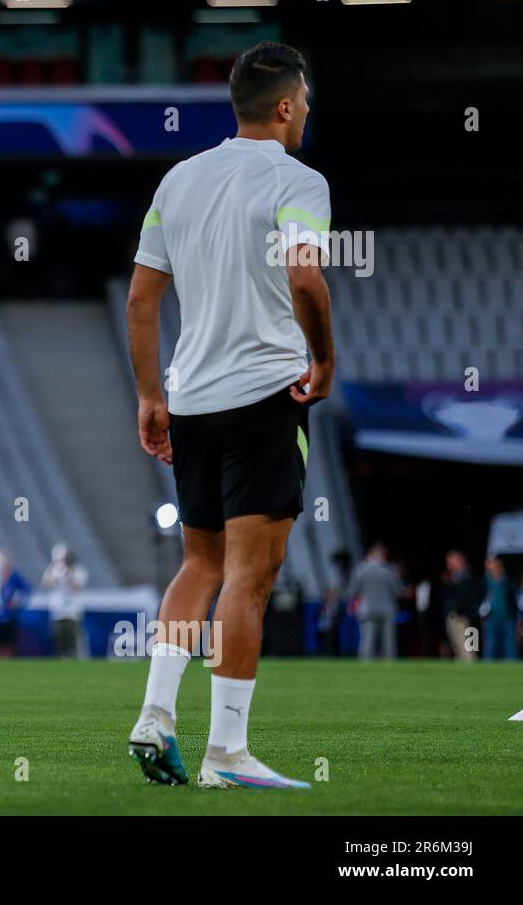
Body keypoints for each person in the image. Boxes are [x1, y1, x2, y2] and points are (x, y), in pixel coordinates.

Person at [125, 42, 334, 789]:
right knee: (251, 576)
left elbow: (142, 299)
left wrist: (152, 397)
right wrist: (326, 358)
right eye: (303, 99)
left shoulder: (179, 178)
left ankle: (154, 714)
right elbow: (305, 277)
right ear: (284, 105)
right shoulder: (297, 179)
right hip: (263, 396)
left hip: (193, 401)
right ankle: (227, 753)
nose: (306, 110)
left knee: (200, 564)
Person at [349, 542, 404, 661]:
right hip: (387, 609)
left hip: (368, 609)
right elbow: (398, 591)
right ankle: (390, 668)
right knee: (389, 642)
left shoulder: (360, 570)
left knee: (367, 640)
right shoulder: (390, 570)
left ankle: (366, 666)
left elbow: (353, 591)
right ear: (382, 555)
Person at [41, 542, 87, 658]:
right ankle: (61, 658)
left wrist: (68, 575)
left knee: (73, 637)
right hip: (57, 610)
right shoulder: (52, 570)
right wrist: (54, 577)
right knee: (58, 637)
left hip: (72, 611)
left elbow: (77, 586)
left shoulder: (78, 570)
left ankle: (76, 657)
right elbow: (45, 583)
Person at [443, 550, 480, 662]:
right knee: (459, 647)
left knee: (468, 647)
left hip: (463, 618)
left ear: (460, 561)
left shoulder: (466, 576)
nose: (449, 566)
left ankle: (471, 671)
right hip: (458, 616)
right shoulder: (455, 577)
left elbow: (466, 598)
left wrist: (459, 612)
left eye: (451, 562)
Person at [481, 555, 517, 661]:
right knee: (491, 644)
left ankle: (512, 666)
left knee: (509, 644)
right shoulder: (485, 583)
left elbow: (513, 601)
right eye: (491, 568)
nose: (494, 570)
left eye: (496, 567)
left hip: (507, 618)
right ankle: (487, 667)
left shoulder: (508, 582)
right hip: (491, 619)